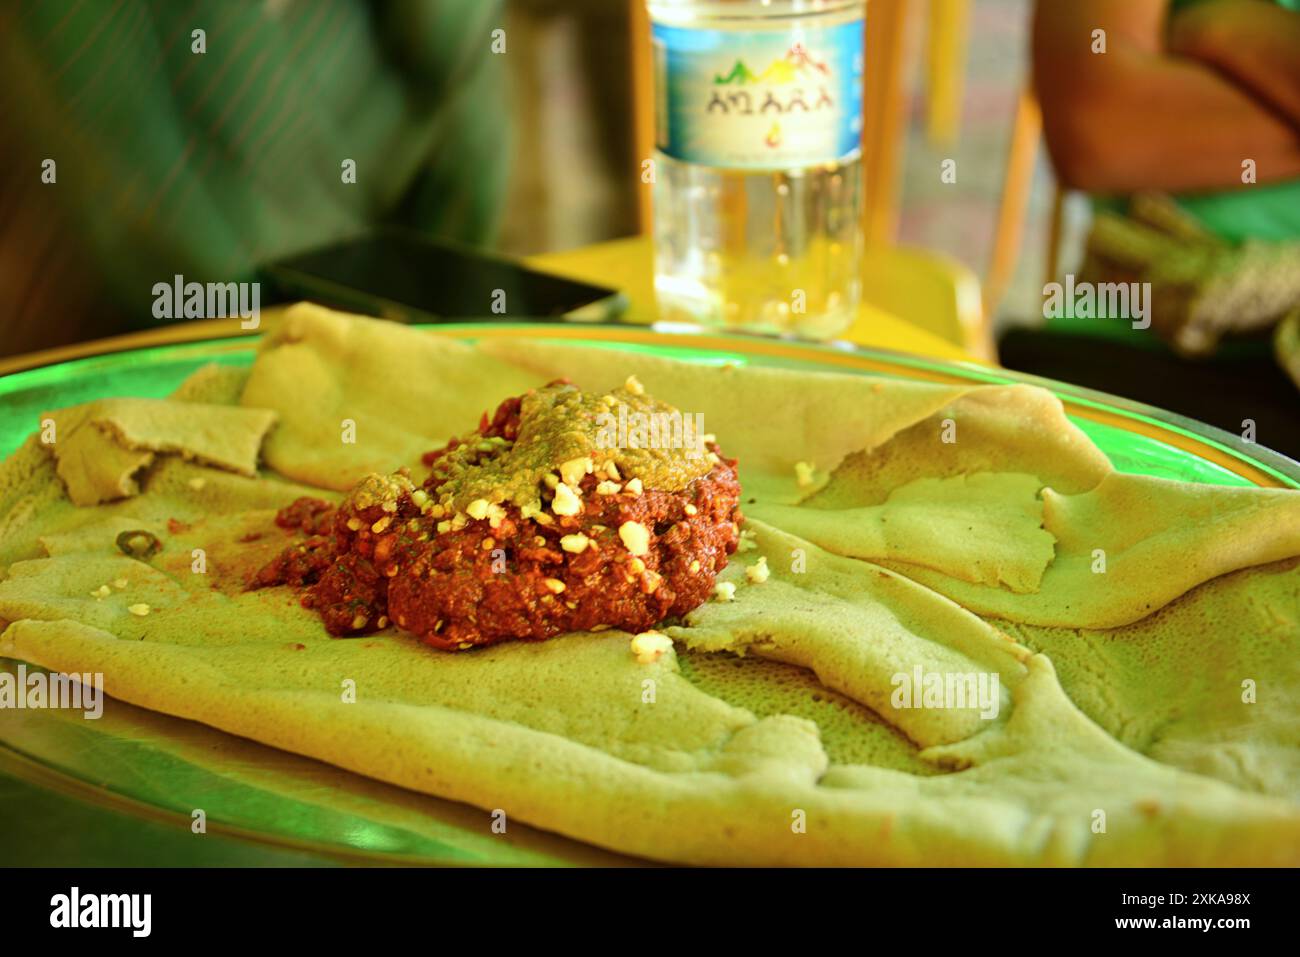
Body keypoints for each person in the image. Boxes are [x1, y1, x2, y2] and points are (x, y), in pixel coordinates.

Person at [0, 0, 509, 356]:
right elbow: (160, 231)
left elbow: (467, 180)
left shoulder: (429, 27)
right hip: (136, 346)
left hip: (351, 326)